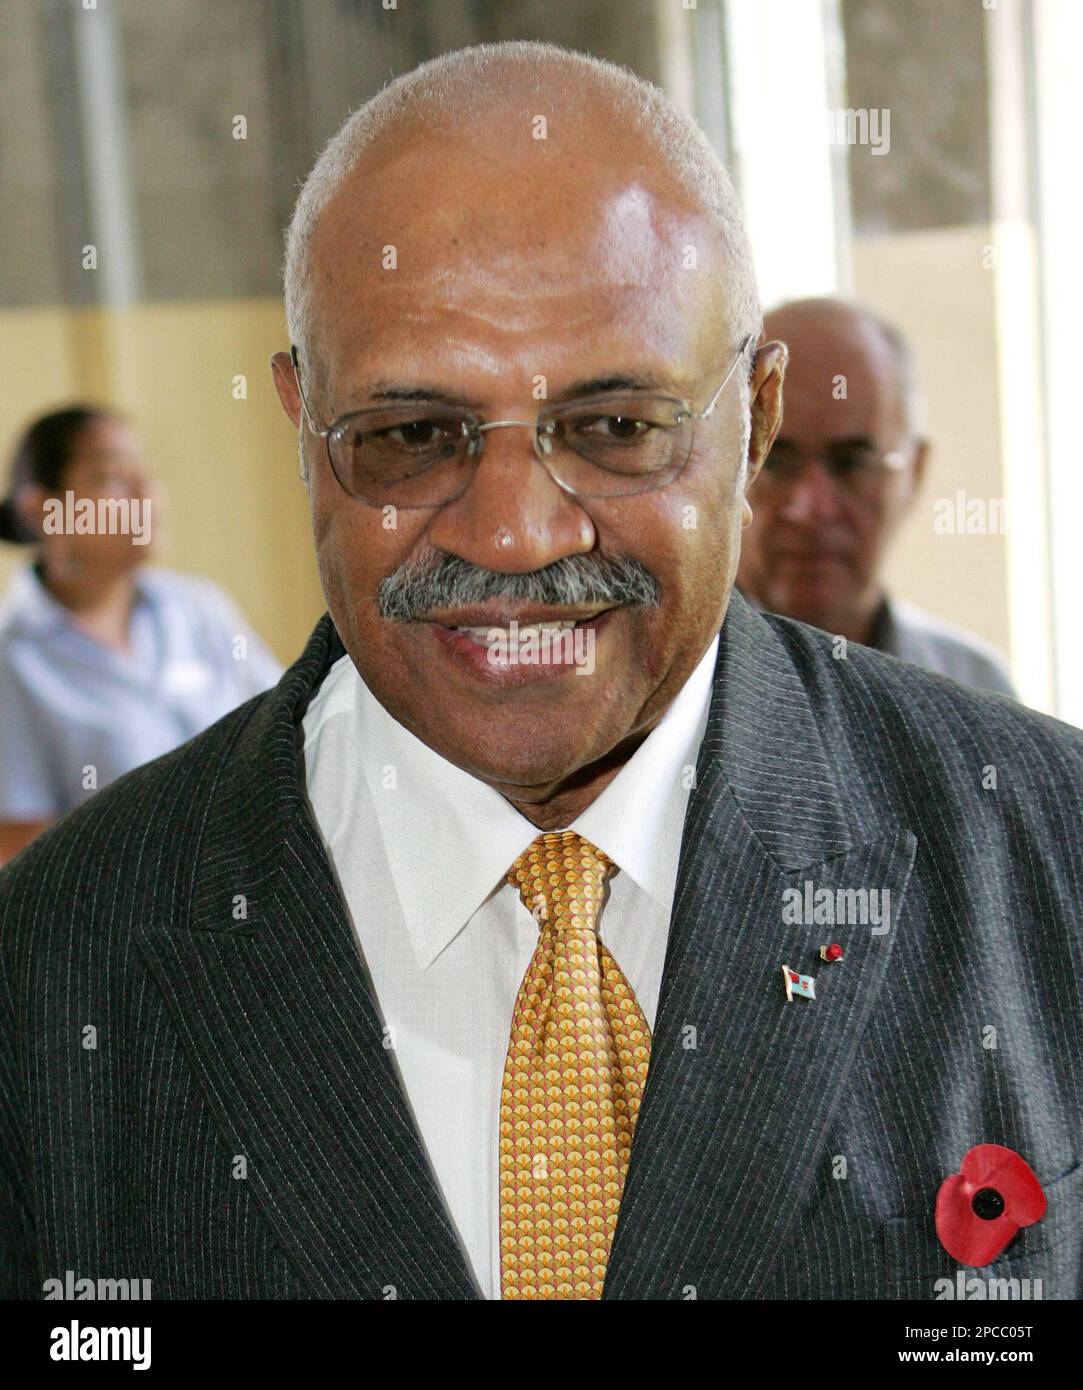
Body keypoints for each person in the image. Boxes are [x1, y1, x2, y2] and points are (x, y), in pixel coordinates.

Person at [1, 42, 1080, 1302]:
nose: (513, 533)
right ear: (303, 423)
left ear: (758, 415)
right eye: (410, 435)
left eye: (616, 428)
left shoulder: (1048, 856)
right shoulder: (52, 973)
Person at [0, 405, 282, 862]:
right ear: (41, 510)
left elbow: (289, 733)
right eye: (111, 476)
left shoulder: (199, 610)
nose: (145, 493)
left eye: (146, 471)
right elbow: (19, 854)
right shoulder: (12, 659)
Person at [737, 297, 1016, 695]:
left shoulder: (975, 690)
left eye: (851, 464)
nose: (812, 507)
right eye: (776, 460)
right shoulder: (664, 695)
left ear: (914, 472)